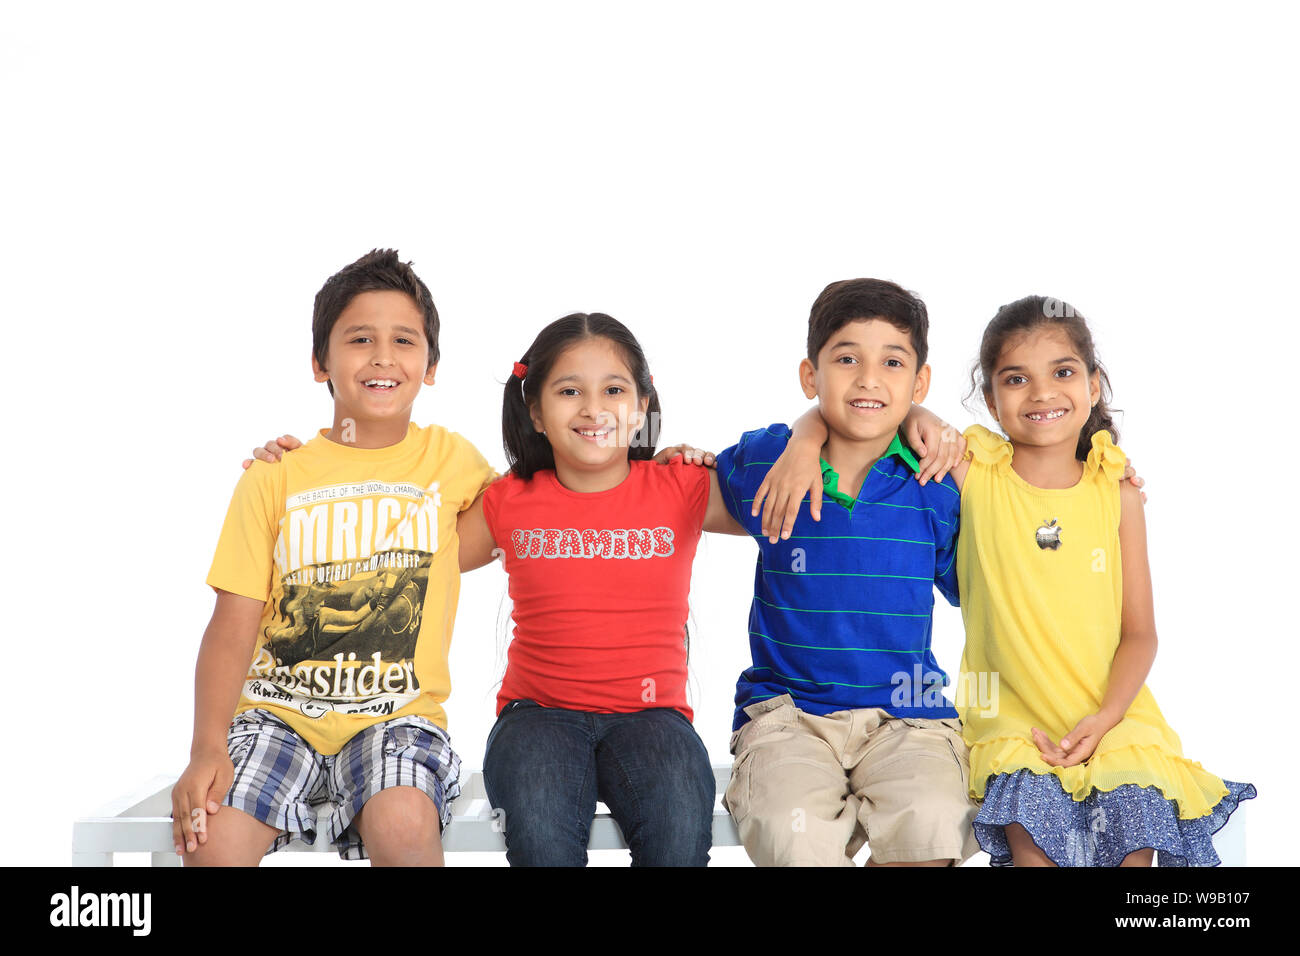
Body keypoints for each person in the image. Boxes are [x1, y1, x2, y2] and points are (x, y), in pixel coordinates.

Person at [768, 293, 1253, 866]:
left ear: (1094, 386)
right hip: (1012, 728)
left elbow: (1140, 633)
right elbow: (881, 416)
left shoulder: (1118, 493)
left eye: (1064, 373)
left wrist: (1106, 718)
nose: (1043, 392)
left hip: (1118, 719)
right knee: (1033, 851)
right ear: (992, 403)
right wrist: (804, 436)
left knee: (1133, 853)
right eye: (1017, 379)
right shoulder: (974, 472)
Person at [170, 249, 495, 866]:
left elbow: (536, 512)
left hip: (398, 718)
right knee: (211, 839)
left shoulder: (453, 461)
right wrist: (207, 746)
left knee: (402, 822)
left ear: (430, 366)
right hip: (275, 717)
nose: (382, 357)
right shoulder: (274, 477)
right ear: (321, 362)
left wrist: (648, 456)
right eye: (359, 339)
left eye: (404, 340)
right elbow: (233, 621)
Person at [712, 278, 978, 867]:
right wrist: (673, 456)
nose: (868, 378)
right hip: (789, 717)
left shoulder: (935, 483)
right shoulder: (770, 462)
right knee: (791, 831)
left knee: (933, 822)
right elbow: (674, 502)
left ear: (919, 382)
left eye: (892, 361)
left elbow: (979, 591)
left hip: (908, 716)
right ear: (811, 376)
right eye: (846, 358)